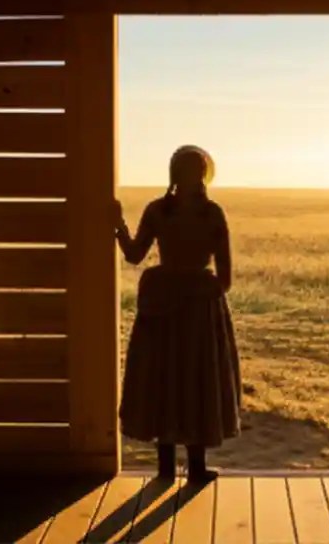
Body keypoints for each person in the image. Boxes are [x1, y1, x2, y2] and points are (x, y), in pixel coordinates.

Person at [113, 145, 242, 481]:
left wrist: (118, 227)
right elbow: (225, 278)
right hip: (199, 308)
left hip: (160, 304)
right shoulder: (212, 213)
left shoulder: (158, 210)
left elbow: (133, 254)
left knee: (163, 379)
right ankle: (196, 467)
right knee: (197, 380)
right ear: (203, 175)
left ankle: (165, 469)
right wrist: (202, 291)